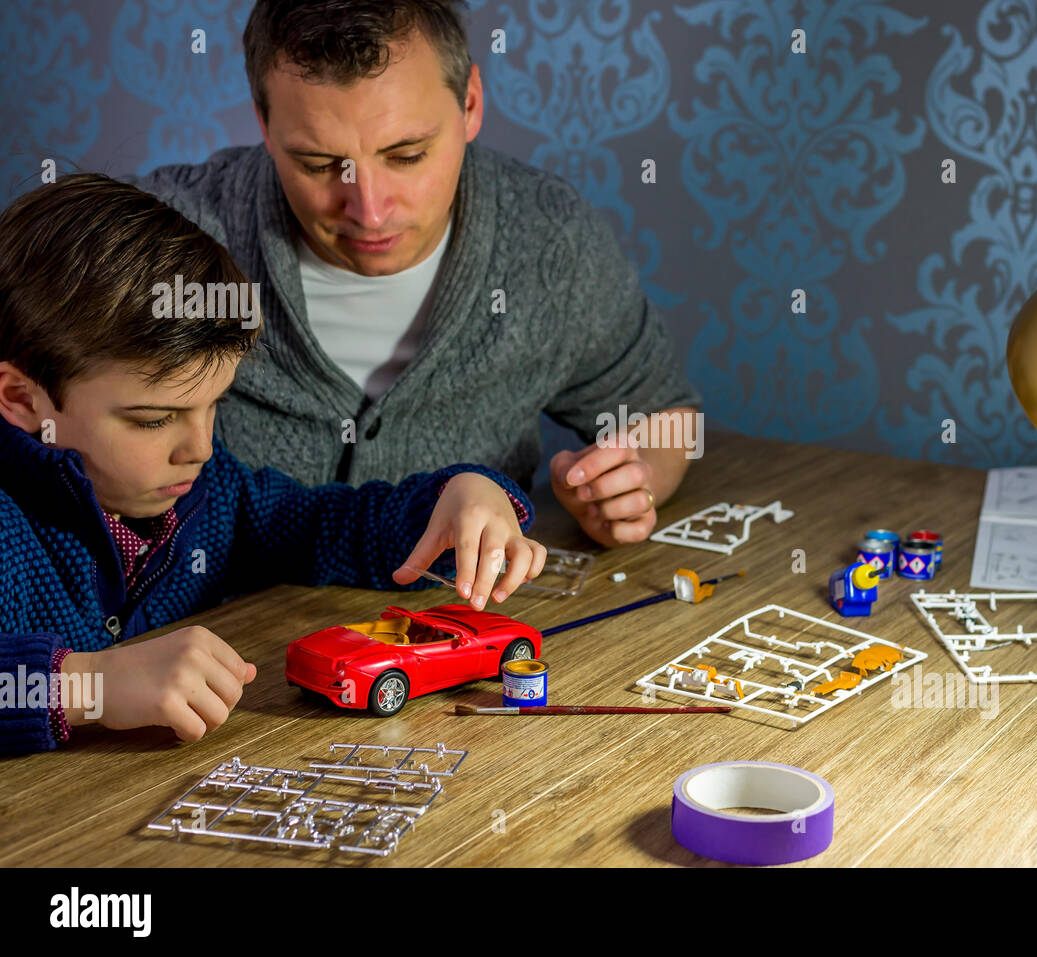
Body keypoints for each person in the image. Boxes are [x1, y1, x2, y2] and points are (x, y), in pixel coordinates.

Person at [0, 174, 547, 754]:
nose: (200, 449)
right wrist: (88, 686)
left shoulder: (212, 492)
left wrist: (457, 499)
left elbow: (326, 526)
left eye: (214, 405)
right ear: (21, 399)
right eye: (155, 419)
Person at [130, 0, 703, 549]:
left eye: (406, 155)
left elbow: (664, 414)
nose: (369, 211)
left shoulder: (552, 240)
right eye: (319, 165)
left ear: (470, 104)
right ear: (263, 123)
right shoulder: (163, 239)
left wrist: (630, 483)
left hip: (473, 611)